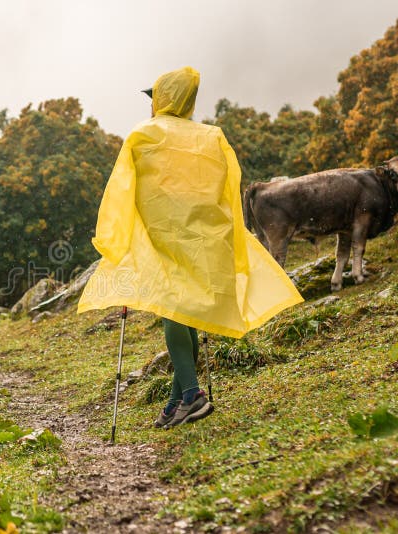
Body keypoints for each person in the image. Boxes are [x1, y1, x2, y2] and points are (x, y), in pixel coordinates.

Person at [78, 66, 303, 429]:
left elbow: (121, 189)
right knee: (188, 314)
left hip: (164, 236)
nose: (152, 105)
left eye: (155, 98)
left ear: (165, 99)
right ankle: (174, 405)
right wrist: (232, 231)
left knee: (173, 310)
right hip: (205, 238)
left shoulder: (142, 134)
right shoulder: (212, 137)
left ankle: (191, 394)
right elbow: (229, 187)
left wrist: (118, 237)